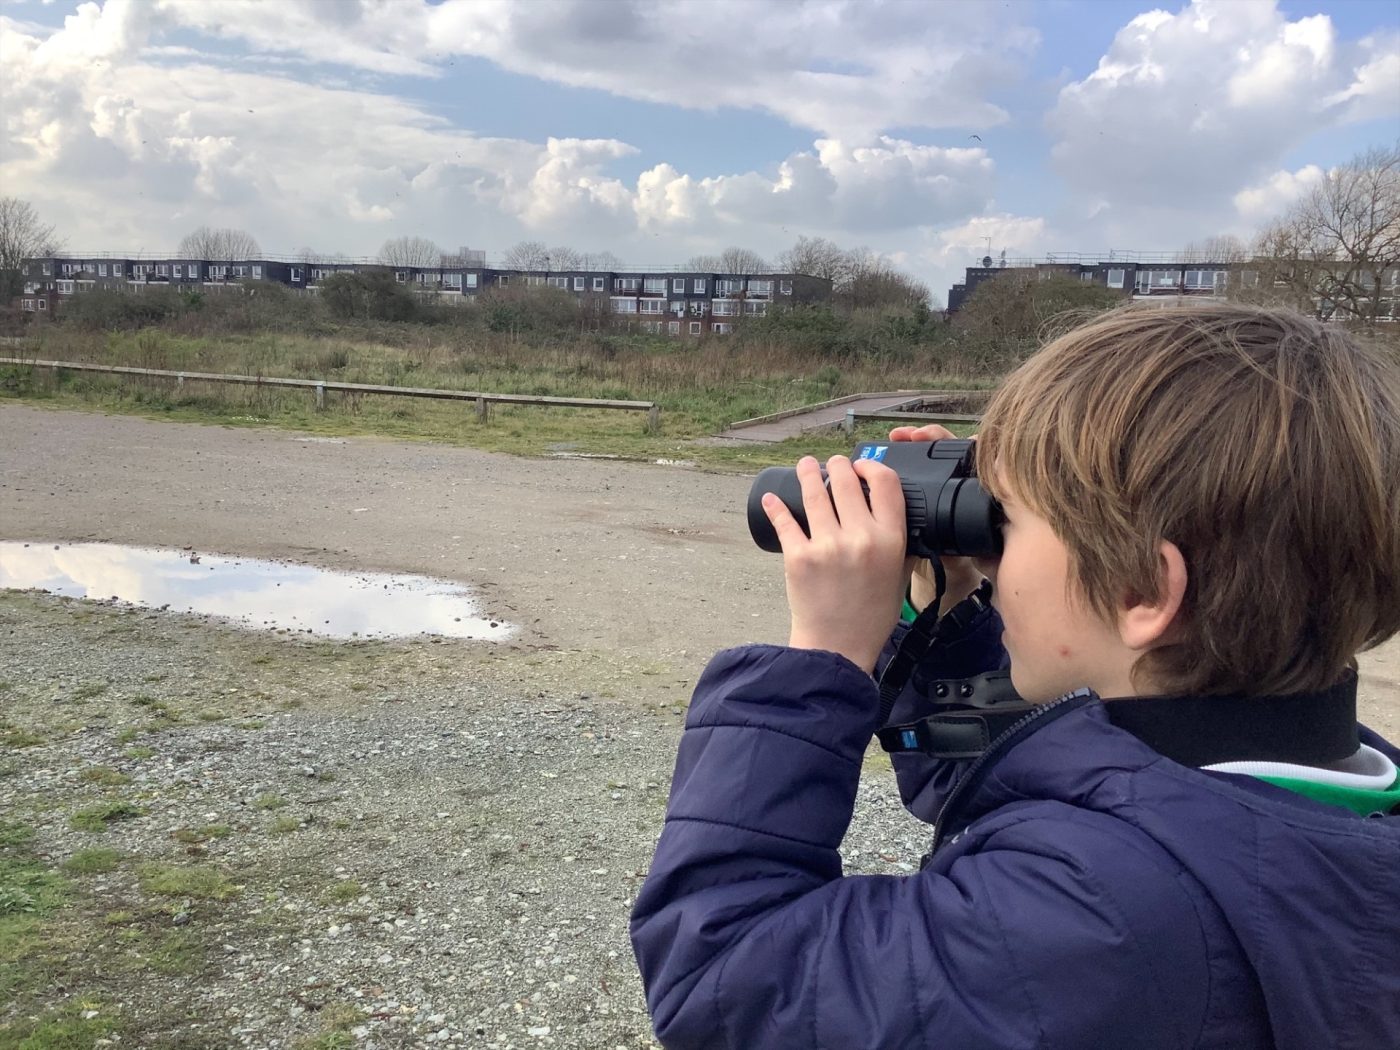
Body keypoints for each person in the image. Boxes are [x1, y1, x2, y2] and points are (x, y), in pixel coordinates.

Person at [630, 304, 1400, 1049]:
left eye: (1010, 524)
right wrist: (946, 610)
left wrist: (824, 658)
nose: (992, 553)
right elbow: (1015, 786)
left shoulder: (1104, 912)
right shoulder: (1285, 787)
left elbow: (723, 977)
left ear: (1140, 591)